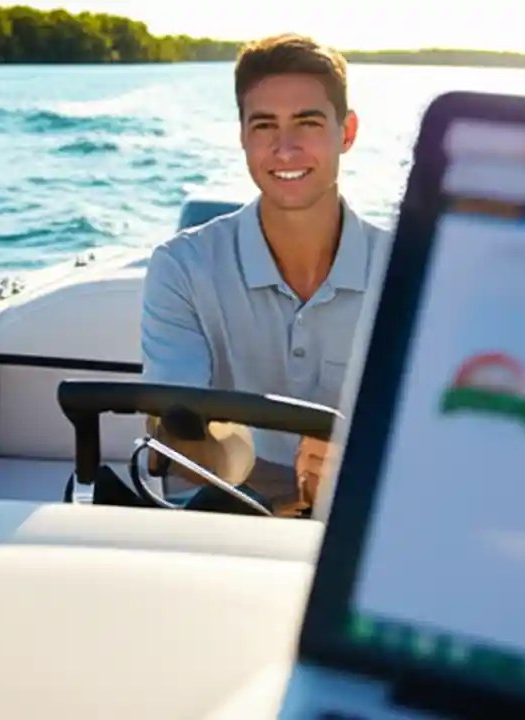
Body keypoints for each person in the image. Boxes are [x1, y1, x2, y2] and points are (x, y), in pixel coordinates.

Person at [139, 33, 390, 515]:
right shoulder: (181, 268)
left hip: (360, 518)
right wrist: (267, 491)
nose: (285, 148)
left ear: (348, 133)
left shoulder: (406, 274)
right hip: (223, 521)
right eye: (264, 125)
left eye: (307, 122)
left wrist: (353, 474)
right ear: (242, 137)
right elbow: (173, 436)